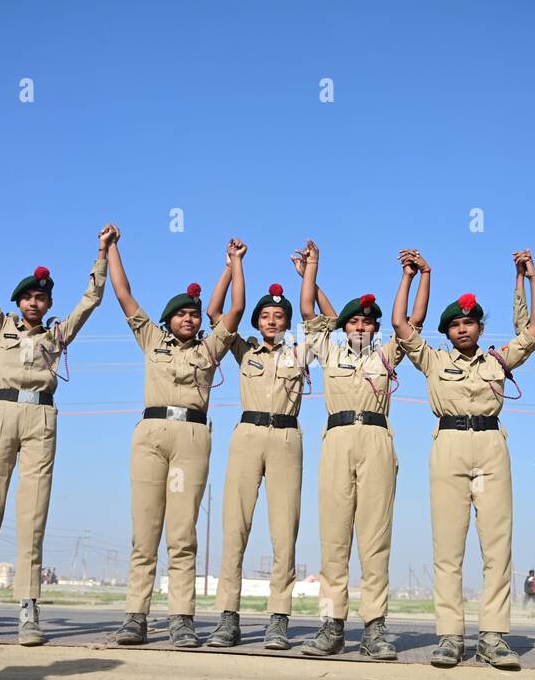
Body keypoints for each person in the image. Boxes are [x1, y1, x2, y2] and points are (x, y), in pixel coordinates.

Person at [0, 214, 110, 647]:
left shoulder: (58, 334)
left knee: (32, 514)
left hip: (41, 418)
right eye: (29, 298)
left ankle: (28, 608)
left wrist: (102, 253)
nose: (35, 303)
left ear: (49, 305)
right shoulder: (0, 325)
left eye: (41, 298)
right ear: (19, 302)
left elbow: (92, 299)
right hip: (2, 412)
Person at [395, 248, 535, 668]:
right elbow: (401, 325)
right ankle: (449, 637)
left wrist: (529, 278)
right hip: (449, 446)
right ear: (448, 333)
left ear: (480, 327)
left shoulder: (497, 358)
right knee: (448, 546)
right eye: (455, 325)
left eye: (469, 322)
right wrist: (417, 275)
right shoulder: (433, 360)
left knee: (497, 545)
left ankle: (493, 637)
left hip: (492, 447)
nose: (462, 329)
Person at [295, 240, 428, 658]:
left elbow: (413, 320)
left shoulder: (387, 355)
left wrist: (417, 276)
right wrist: (313, 269)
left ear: (375, 330)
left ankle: (374, 629)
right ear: (345, 327)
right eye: (354, 323)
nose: (360, 328)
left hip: (375, 441)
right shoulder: (330, 352)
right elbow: (309, 315)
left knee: (374, 540)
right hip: (336, 440)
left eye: (368, 324)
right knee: (334, 539)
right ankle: (332, 627)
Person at [108, 233, 240, 648]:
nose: (189, 319)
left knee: (182, 532)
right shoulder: (151, 339)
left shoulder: (211, 347)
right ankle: (136, 617)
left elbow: (235, 309)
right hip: (151, 436)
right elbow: (123, 293)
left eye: (194, 315)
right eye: (182, 314)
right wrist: (111, 248)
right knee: (144, 531)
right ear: (169, 320)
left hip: (192, 438)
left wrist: (232, 262)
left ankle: (182, 619)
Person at [203, 257, 307, 650]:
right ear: (257, 321)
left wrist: (307, 275)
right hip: (247, 435)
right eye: (266, 315)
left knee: (284, 531)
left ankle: (278, 618)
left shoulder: (300, 352)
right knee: (235, 528)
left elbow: (320, 320)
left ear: (286, 322)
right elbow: (217, 312)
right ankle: (228, 618)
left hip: (285, 438)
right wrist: (233, 267)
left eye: (279, 316)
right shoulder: (244, 350)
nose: (272, 321)